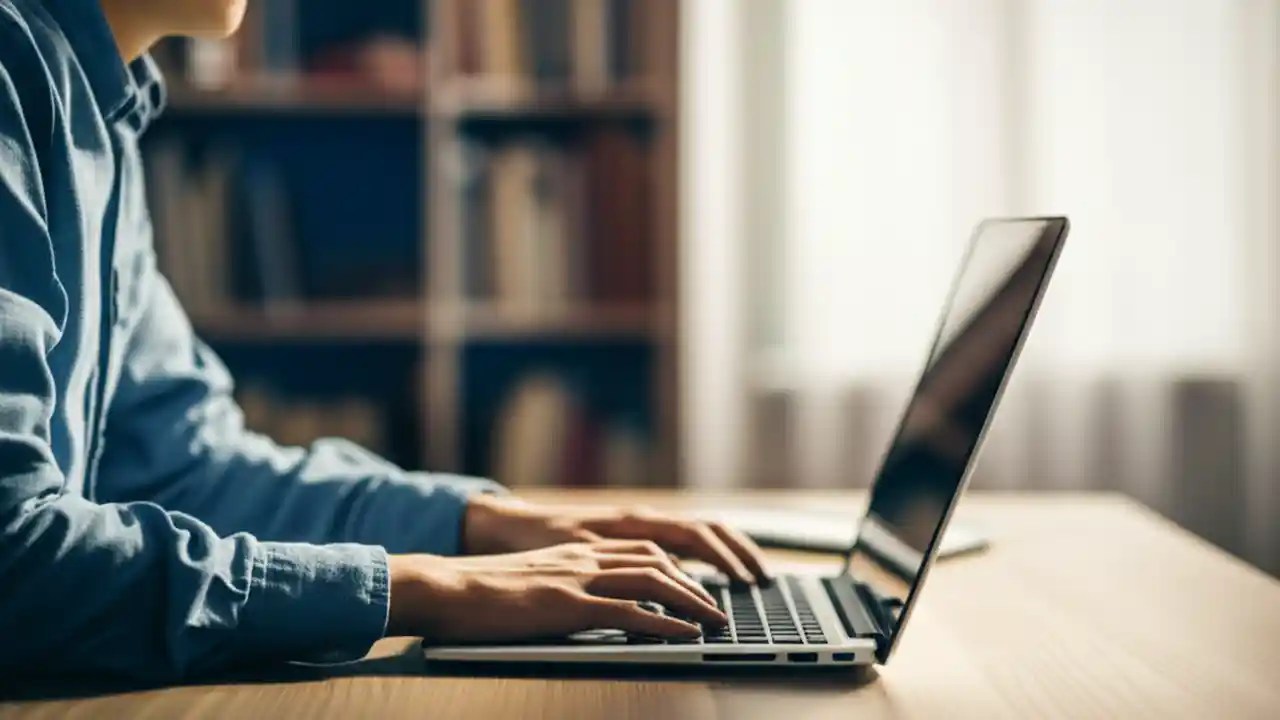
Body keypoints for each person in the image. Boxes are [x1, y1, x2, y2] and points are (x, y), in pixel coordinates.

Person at [0, 0, 767, 681]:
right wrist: (422, 588)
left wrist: (478, 526)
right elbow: (12, 562)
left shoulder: (99, 112)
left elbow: (181, 469)